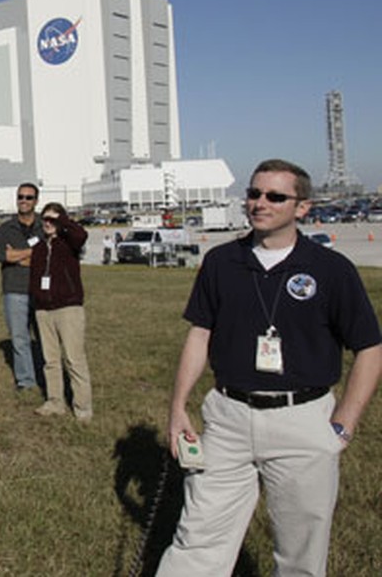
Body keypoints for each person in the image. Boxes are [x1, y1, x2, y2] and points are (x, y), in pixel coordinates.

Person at [157, 159, 382, 576]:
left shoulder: (331, 270)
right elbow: (199, 336)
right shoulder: (222, 261)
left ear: (302, 208)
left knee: (300, 552)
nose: (261, 203)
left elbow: (370, 348)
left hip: (303, 420)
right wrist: (177, 407)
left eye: (275, 196)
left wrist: (344, 424)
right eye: (254, 193)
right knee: (197, 538)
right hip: (228, 417)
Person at [28, 203, 92, 421]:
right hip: (43, 310)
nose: (48, 223)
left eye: (52, 219)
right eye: (44, 219)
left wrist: (62, 222)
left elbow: (81, 235)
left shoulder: (69, 242)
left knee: (74, 359)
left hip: (68, 308)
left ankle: (82, 407)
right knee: (51, 360)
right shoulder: (38, 247)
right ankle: (55, 401)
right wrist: (36, 298)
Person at [0, 183, 45, 393]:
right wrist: (32, 254)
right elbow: (0, 255)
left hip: (42, 289)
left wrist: (17, 255)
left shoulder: (45, 225)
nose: (24, 201)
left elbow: (49, 256)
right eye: (20, 197)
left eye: (28, 197)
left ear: (36, 200)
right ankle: (26, 381)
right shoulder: (6, 228)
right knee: (20, 338)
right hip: (14, 288)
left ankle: (47, 376)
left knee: (45, 336)